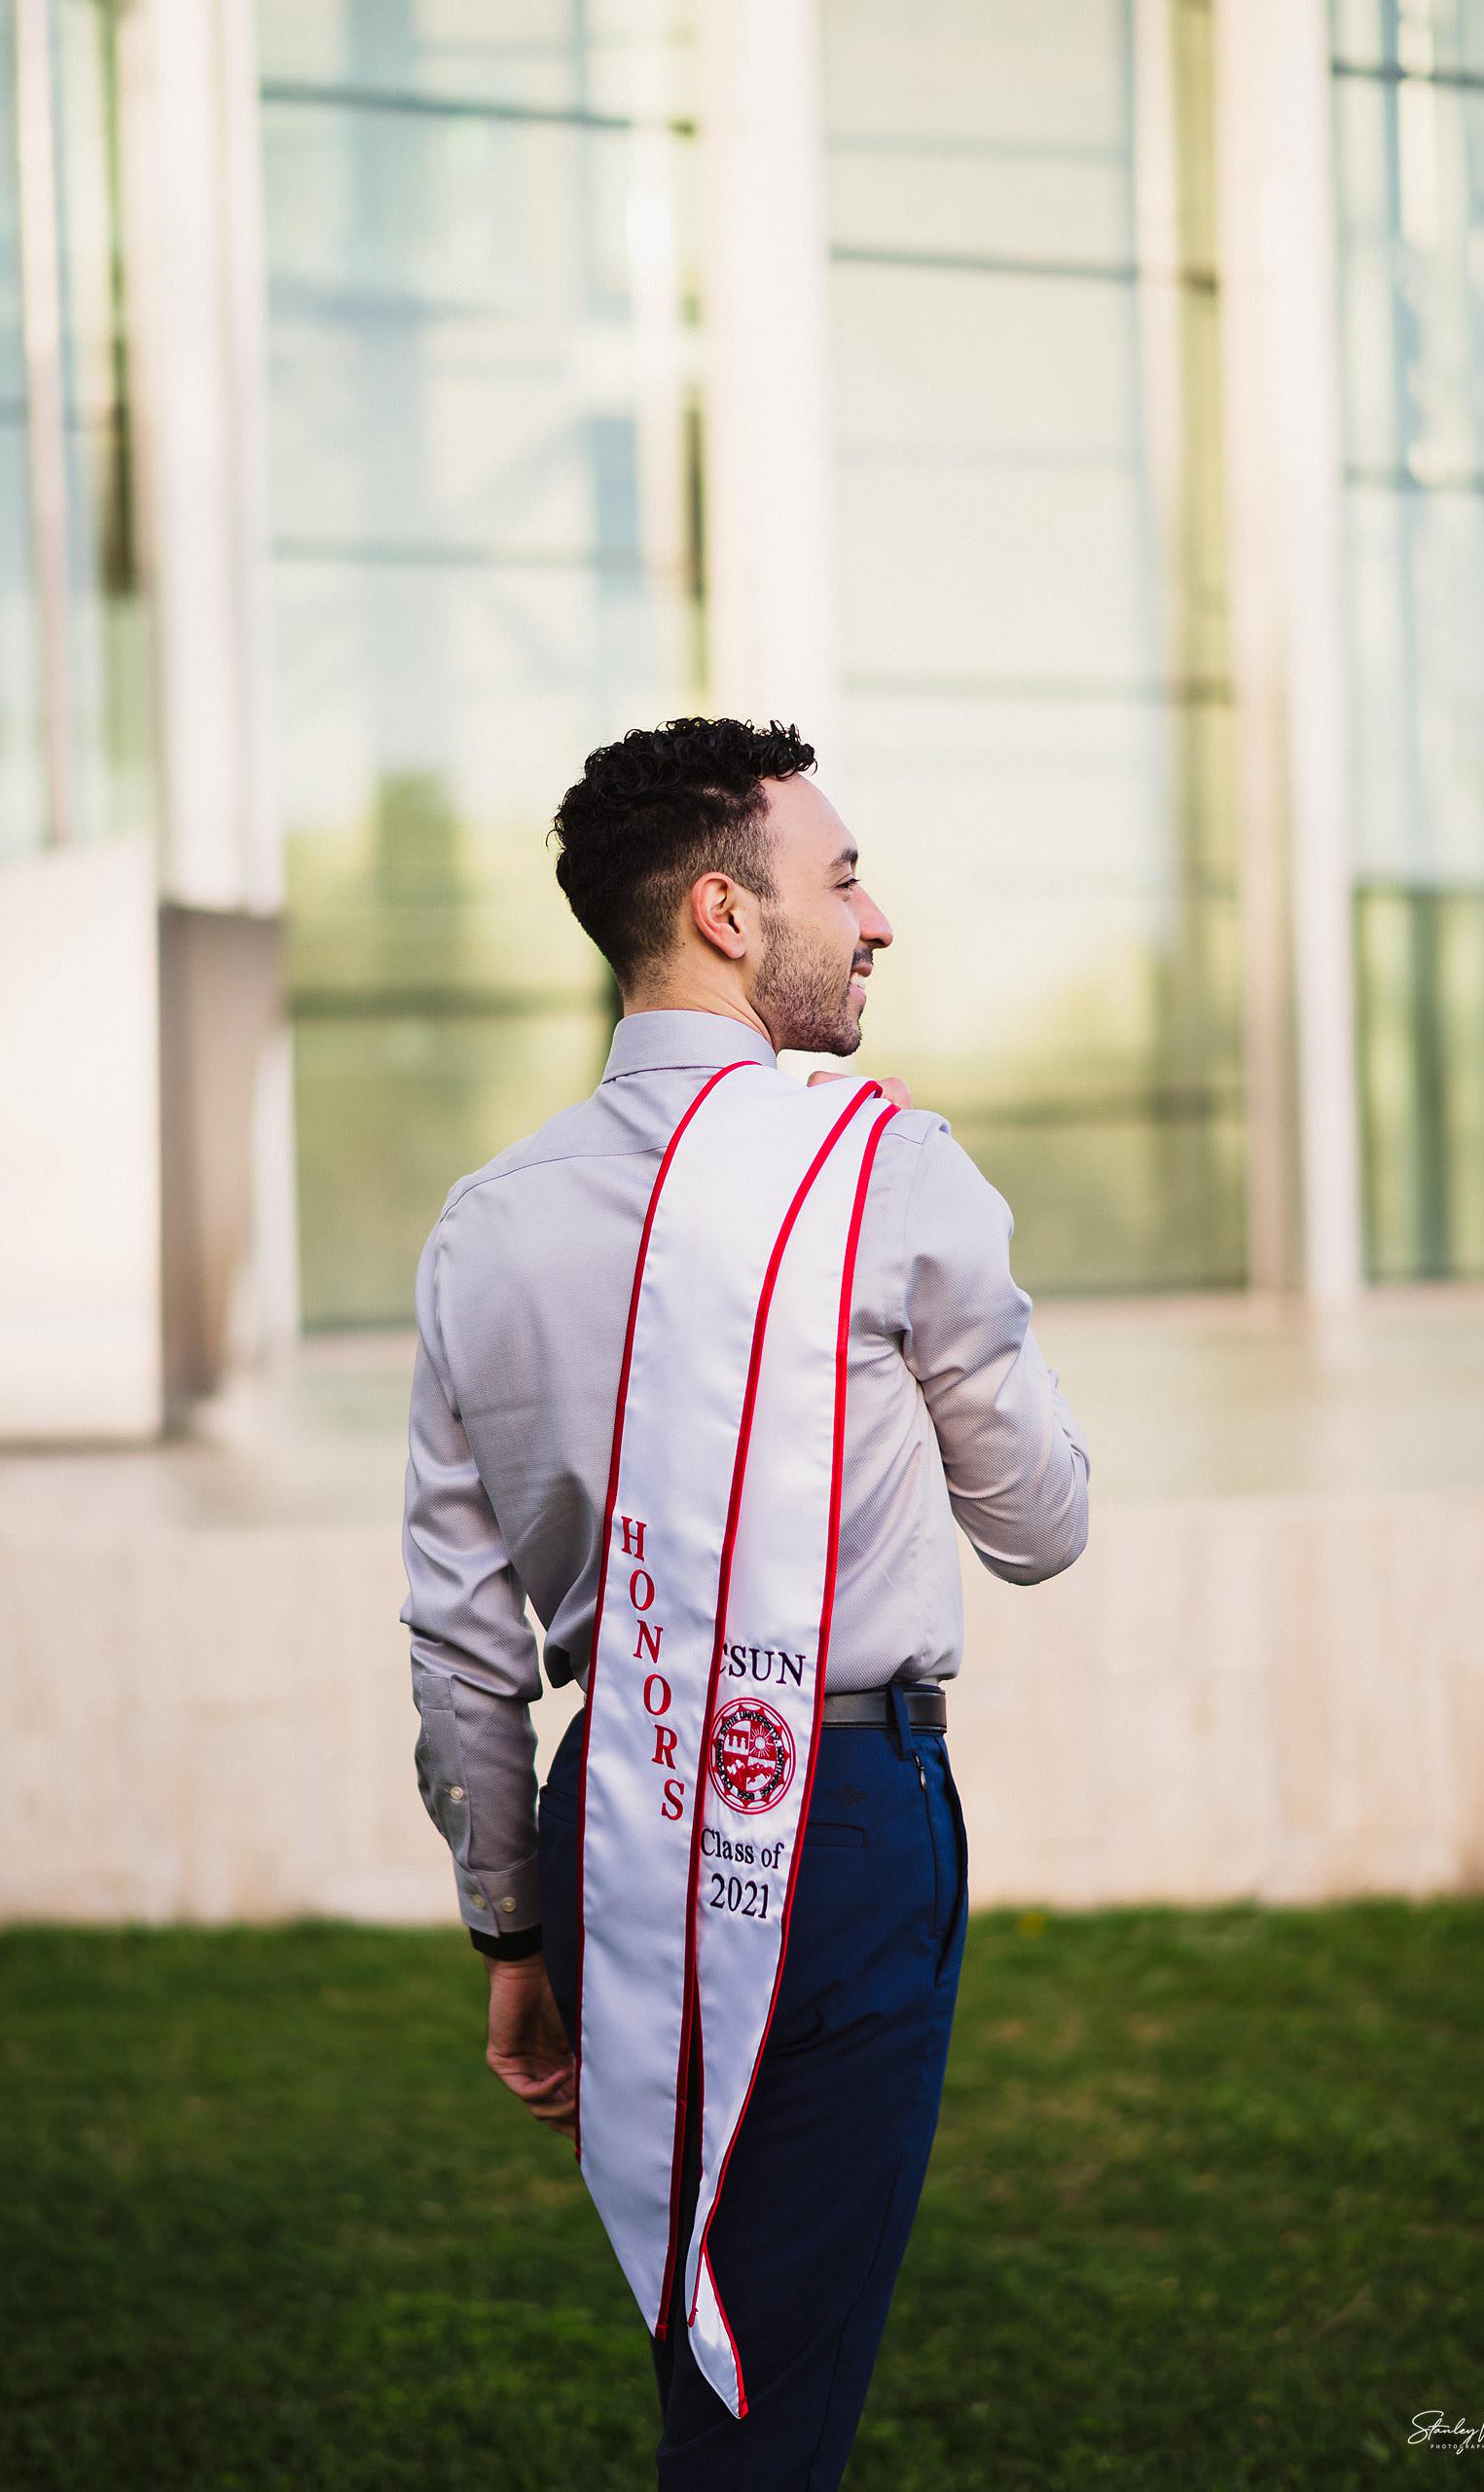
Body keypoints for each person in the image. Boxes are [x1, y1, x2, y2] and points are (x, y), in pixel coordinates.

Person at [400, 716, 1090, 2487]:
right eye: (839, 877)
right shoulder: (889, 1169)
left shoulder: (486, 1224)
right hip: (839, 1821)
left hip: (608, 1823)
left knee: (708, 2329)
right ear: (723, 911)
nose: (875, 923)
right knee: (770, 2383)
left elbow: (467, 1641)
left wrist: (508, 1927)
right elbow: (1038, 1524)